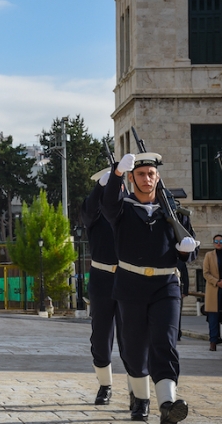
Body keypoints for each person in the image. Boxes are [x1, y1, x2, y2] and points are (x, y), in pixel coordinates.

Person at [101, 152, 197, 424]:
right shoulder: (122, 208)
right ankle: (141, 400)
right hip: (130, 284)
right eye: (141, 174)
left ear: (158, 177)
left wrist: (187, 251)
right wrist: (116, 173)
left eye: (151, 174)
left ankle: (167, 403)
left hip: (165, 285)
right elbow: (107, 204)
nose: (147, 179)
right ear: (133, 178)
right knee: (133, 347)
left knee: (164, 343)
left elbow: (187, 248)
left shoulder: (172, 209)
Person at [81, 169, 140, 408]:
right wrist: (99, 188)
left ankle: (136, 389)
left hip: (127, 278)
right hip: (102, 278)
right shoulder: (95, 213)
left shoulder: (128, 209)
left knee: (131, 338)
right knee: (101, 337)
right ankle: (105, 385)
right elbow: (87, 212)